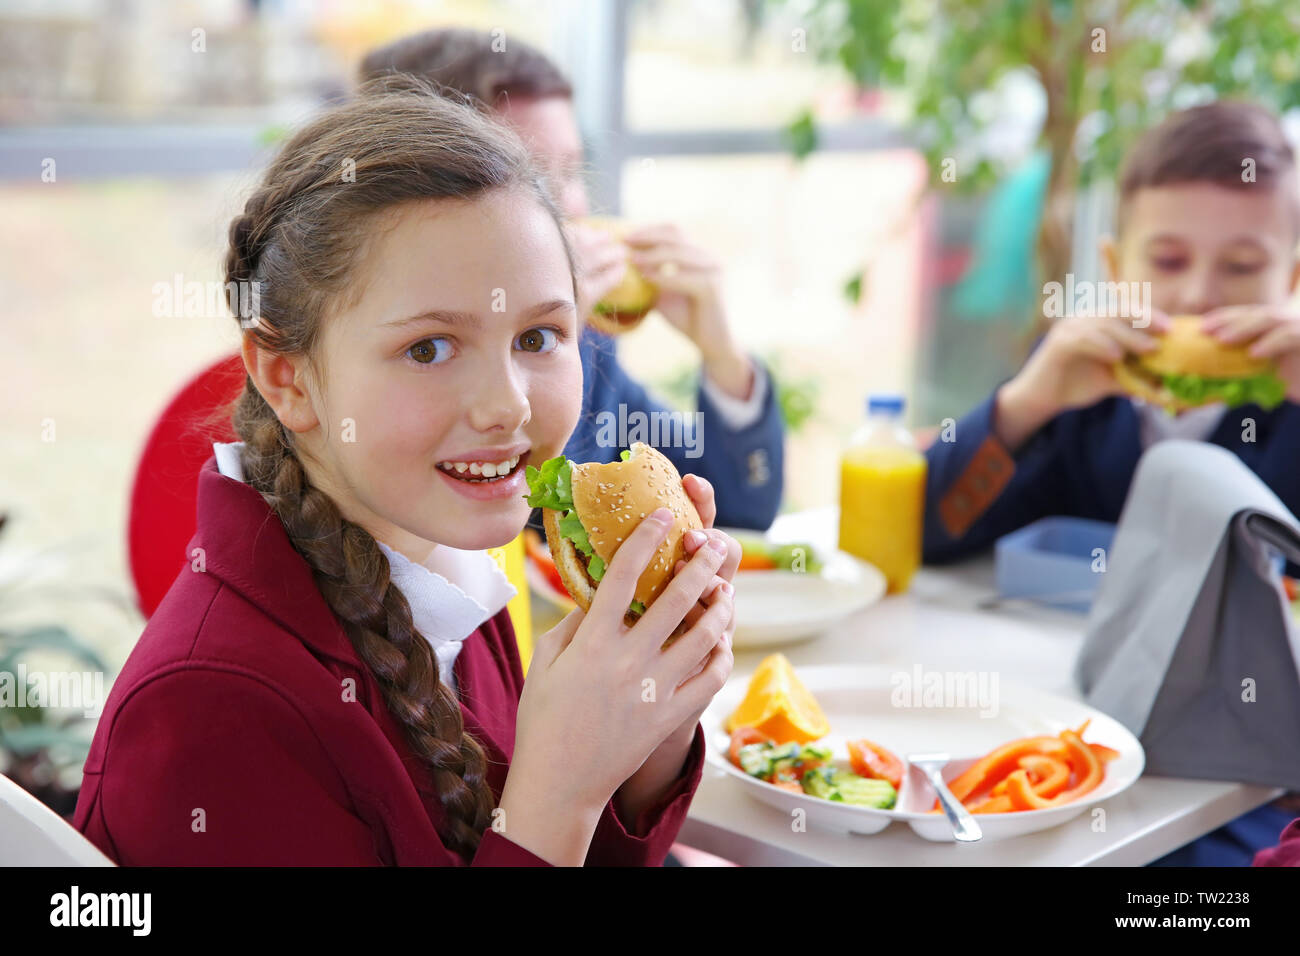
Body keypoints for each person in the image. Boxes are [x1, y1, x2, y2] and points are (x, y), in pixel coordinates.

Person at [72, 78, 738, 866]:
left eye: (539, 337)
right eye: (429, 348)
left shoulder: (444, 553)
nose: (507, 407)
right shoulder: (210, 706)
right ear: (287, 380)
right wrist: (557, 796)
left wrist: (646, 737)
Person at [922, 101, 1300, 866]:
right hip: (1065, 752)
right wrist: (1027, 402)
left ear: (1291, 277)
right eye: (1166, 262)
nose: (1198, 296)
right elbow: (929, 530)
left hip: (1247, 795)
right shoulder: (1079, 398)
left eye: (1241, 267)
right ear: (1114, 267)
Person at [358, 28, 784, 531]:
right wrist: (540, 337)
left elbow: (737, 514)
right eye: (533, 176)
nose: (571, 206)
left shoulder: (589, 346)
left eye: (573, 171)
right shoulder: (384, 361)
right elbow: (506, 521)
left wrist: (724, 359)